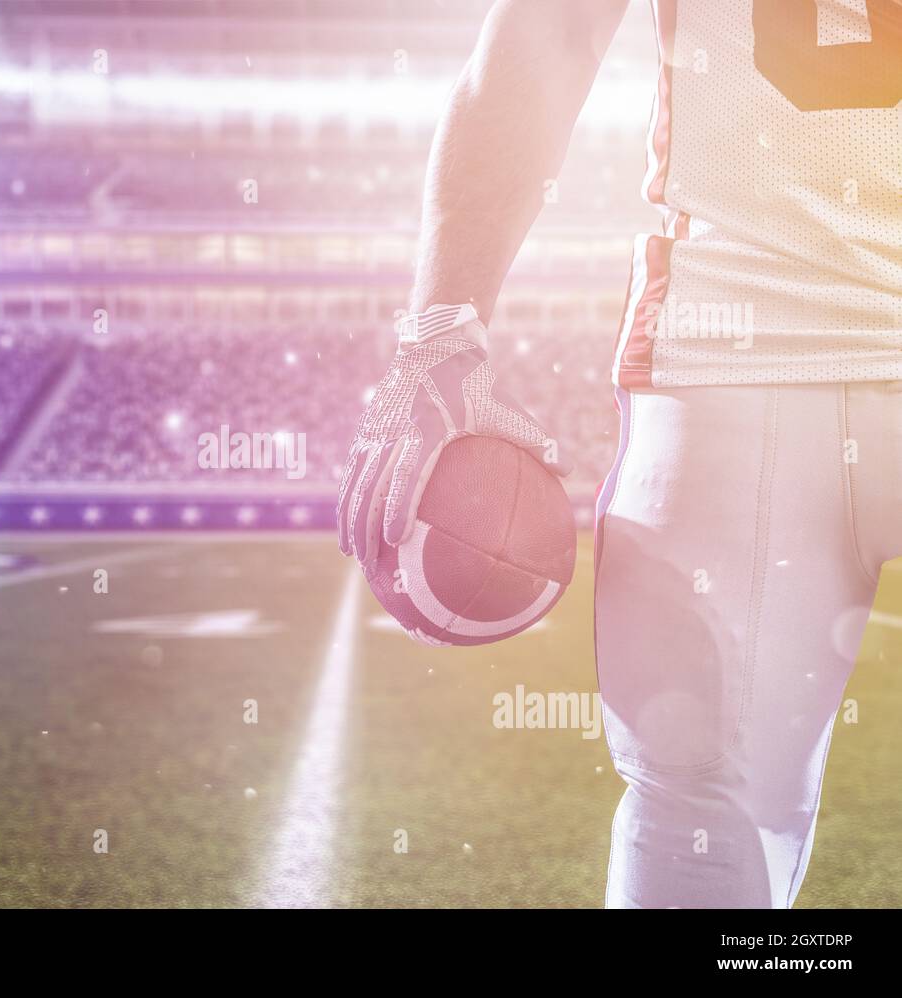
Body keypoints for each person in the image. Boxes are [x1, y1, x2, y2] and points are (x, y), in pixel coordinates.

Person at [337, 0, 901, 907]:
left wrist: (441, 328)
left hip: (732, 364)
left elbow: (548, 32)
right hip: (730, 357)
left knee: (700, 821)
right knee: (696, 814)